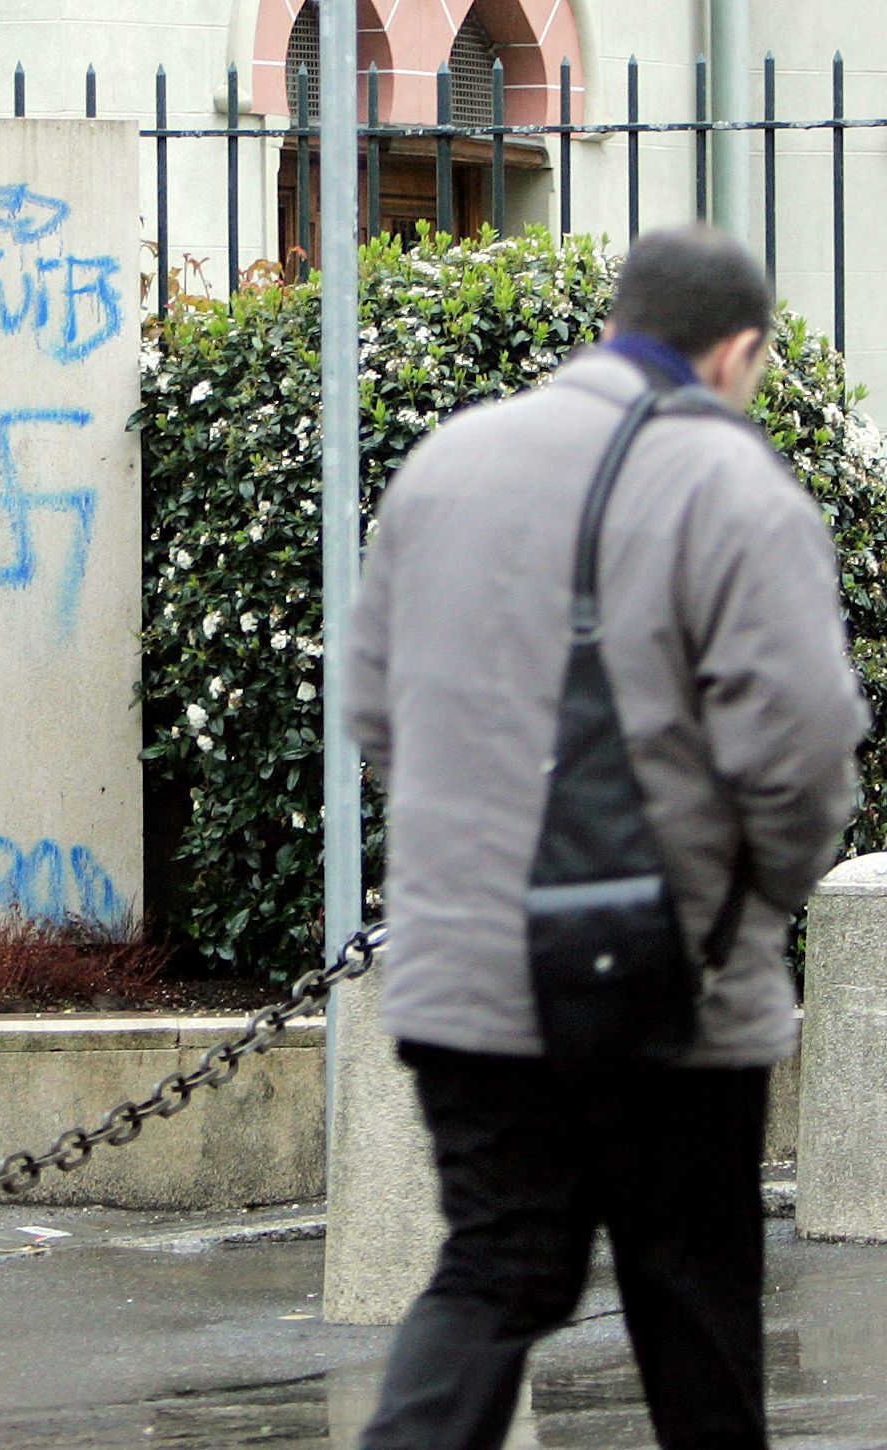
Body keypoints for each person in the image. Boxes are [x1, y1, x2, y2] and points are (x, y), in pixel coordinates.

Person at [346, 225, 871, 1449]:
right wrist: (742, 918)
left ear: (611, 324)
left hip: (464, 983)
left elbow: (375, 714)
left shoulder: (444, 465)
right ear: (735, 351)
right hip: (664, 982)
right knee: (692, 1312)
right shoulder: (732, 486)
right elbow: (799, 752)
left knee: (494, 1270)